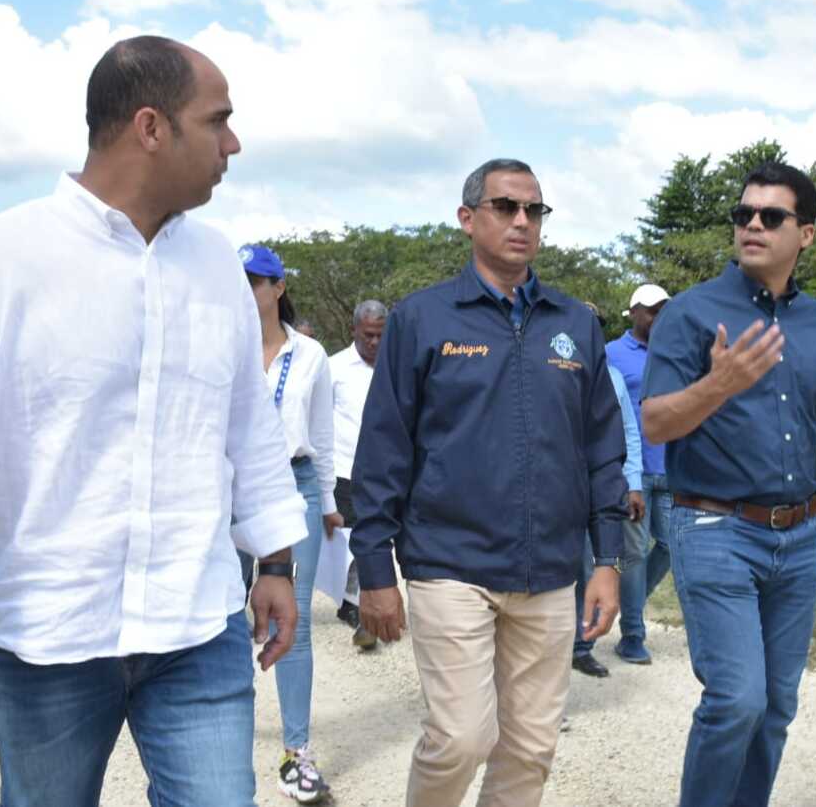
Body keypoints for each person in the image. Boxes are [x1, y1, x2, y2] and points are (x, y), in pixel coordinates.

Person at [0, 36, 307, 807]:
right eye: (217, 120)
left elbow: (248, 431)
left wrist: (277, 566)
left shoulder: (216, 268)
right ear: (151, 127)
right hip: (48, 637)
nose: (233, 144)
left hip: (198, 624)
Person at [640, 161, 816, 807]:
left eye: (771, 216)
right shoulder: (690, 314)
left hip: (797, 540)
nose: (753, 225)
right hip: (713, 526)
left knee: (775, 708)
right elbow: (656, 423)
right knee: (736, 699)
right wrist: (719, 385)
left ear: (806, 234)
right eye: (743, 214)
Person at [350, 158, 628, 807]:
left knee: (530, 747)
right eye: (505, 207)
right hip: (451, 563)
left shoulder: (575, 324)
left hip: (549, 571)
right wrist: (375, 569)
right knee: (461, 737)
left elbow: (602, 446)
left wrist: (608, 558)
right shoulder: (422, 319)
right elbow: (384, 446)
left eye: (534, 209)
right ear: (468, 218)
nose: (522, 221)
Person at [239, 243, 344, 804]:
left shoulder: (310, 355)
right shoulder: (220, 344)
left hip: (294, 484)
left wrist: (326, 502)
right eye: (238, 280)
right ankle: (223, 744)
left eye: (255, 281)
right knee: (224, 617)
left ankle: (296, 753)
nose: (245, 290)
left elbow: (322, 435)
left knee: (292, 622)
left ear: (278, 287)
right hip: (229, 489)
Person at [572, 303, 642, 679]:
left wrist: (634, 483)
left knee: (592, 566)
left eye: (596, 326)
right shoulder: (549, 368)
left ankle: (580, 647)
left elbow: (628, 431)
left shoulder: (612, 377)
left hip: (598, 490)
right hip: (558, 490)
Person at [605, 282, 671, 665]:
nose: (659, 317)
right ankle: (633, 635)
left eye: (664, 310)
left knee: (670, 546)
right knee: (633, 553)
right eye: (652, 310)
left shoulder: (674, 353)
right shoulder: (611, 353)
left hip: (671, 469)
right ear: (634, 313)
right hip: (634, 472)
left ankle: (628, 600)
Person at [329, 299, 387, 652]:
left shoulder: (397, 365)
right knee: (351, 542)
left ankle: (371, 604)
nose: (375, 342)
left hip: (386, 471)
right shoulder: (333, 368)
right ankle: (353, 605)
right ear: (354, 331)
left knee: (379, 538)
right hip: (344, 468)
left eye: (381, 335)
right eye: (368, 335)